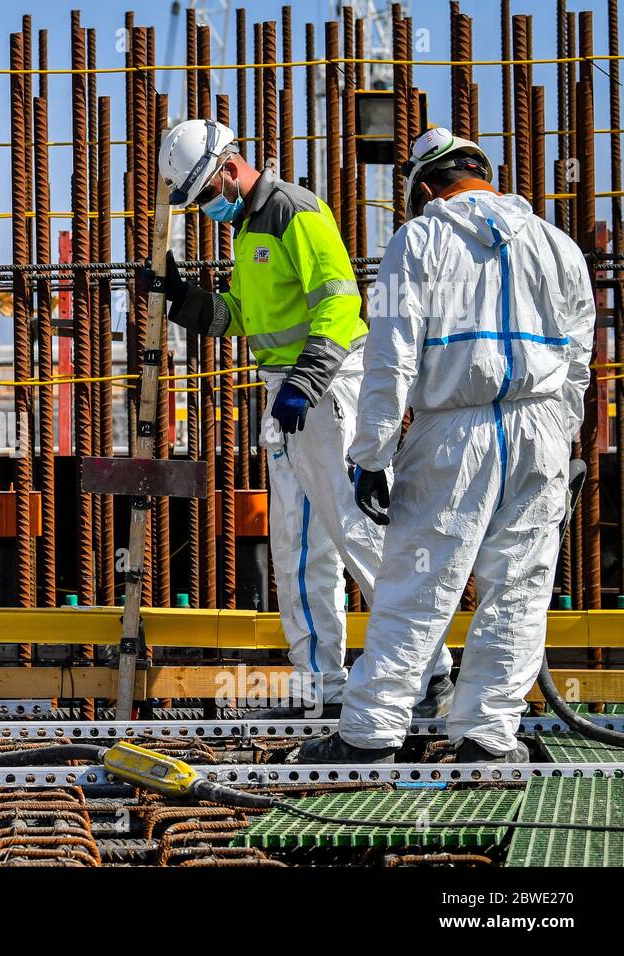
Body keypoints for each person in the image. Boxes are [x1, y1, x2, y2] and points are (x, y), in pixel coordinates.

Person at [299, 127, 596, 764]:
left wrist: (372, 453)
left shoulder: (421, 239)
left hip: (453, 433)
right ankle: (486, 737)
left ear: (428, 188)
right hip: (539, 429)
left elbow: (391, 354)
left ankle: (371, 735)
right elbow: (579, 357)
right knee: (519, 588)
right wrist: (560, 434)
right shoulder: (558, 245)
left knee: (417, 583)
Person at [146, 118, 453, 718]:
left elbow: (340, 302)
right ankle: (321, 686)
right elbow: (242, 316)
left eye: (207, 195)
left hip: (327, 387)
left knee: (360, 538)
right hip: (290, 394)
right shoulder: (245, 231)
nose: (208, 209)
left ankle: (430, 676)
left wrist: (306, 384)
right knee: (300, 548)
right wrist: (184, 301)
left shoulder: (293, 211)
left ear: (230, 170)